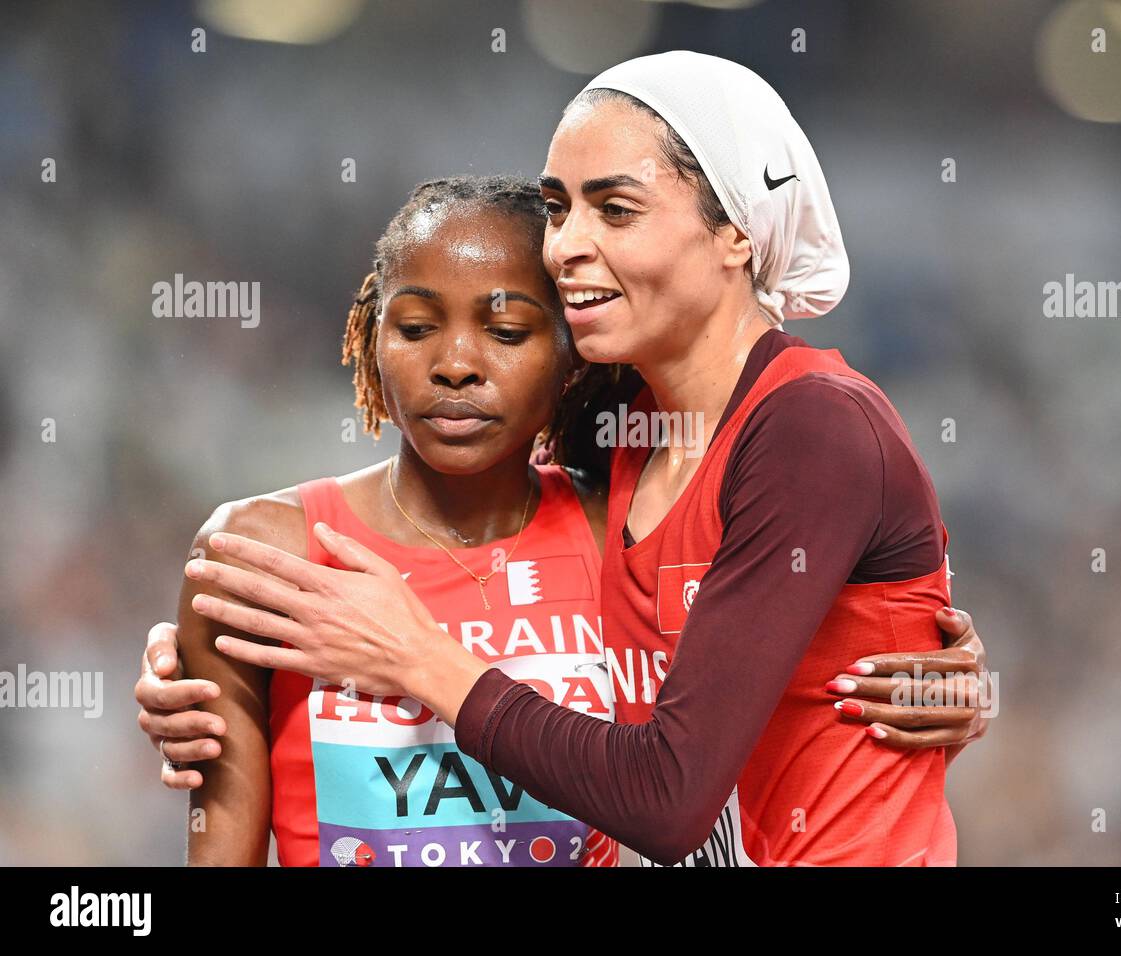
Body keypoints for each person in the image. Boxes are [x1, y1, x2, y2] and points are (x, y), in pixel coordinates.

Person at [139, 52, 992, 866]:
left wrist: (415, 655)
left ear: (736, 231)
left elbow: (669, 795)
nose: (566, 246)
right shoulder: (623, 441)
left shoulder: (811, 427)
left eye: (614, 210)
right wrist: (200, 681)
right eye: (559, 208)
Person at [171, 175, 626, 865]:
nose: (454, 366)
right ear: (371, 336)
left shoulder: (626, 533)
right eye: (415, 328)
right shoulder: (261, 556)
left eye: (505, 331)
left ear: (571, 354)